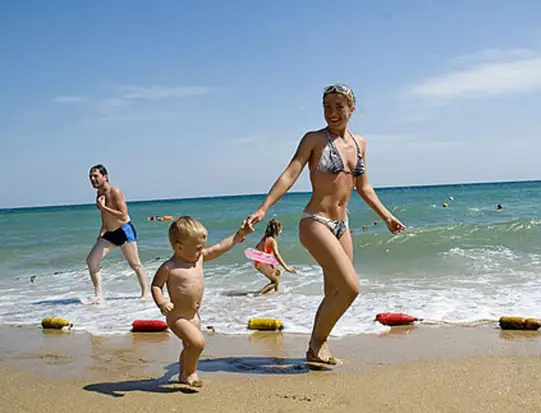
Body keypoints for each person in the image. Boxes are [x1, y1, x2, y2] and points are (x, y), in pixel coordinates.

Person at [243, 84, 406, 365]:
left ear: (351, 110)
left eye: (339, 106)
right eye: (327, 106)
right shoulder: (314, 140)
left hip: (343, 225)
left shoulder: (360, 144)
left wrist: (386, 216)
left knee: (334, 292)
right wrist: (264, 207)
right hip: (315, 221)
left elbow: (364, 188)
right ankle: (317, 343)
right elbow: (290, 174)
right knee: (351, 288)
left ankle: (317, 348)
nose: (332, 112)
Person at [151, 216, 250, 387]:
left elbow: (220, 247)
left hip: (193, 316)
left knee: (190, 346)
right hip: (178, 317)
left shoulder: (199, 258)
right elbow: (156, 286)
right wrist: (162, 303)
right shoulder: (170, 267)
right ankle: (191, 374)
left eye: (202, 247)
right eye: (197, 248)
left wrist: (238, 235)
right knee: (198, 343)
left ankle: (183, 374)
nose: (201, 251)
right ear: (179, 247)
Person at [85, 164, 148, 303]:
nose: (92, 179)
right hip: (109, 233)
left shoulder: (115, 192)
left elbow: (122, 214)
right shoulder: (99, 193)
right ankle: (98, 296)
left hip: (124, 231)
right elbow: (105, 216)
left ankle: (145, 294)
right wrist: (101, 232)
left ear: (105, 177)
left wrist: (103, 207)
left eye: (96, 176)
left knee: (135, 264)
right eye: (90, 177)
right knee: (91, 261)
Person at [253, 218, 295, 294]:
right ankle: (258, 296)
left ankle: (276, 292)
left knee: (278, 271)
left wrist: (271, 264)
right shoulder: (272, 241)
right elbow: (276, 255)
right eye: (280, 228)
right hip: (262, 263)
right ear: (277, 228)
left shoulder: (264, 238)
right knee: (274, 281)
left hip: (258, 262)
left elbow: (258, 248)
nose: (281, 231)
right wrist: (286, 268)